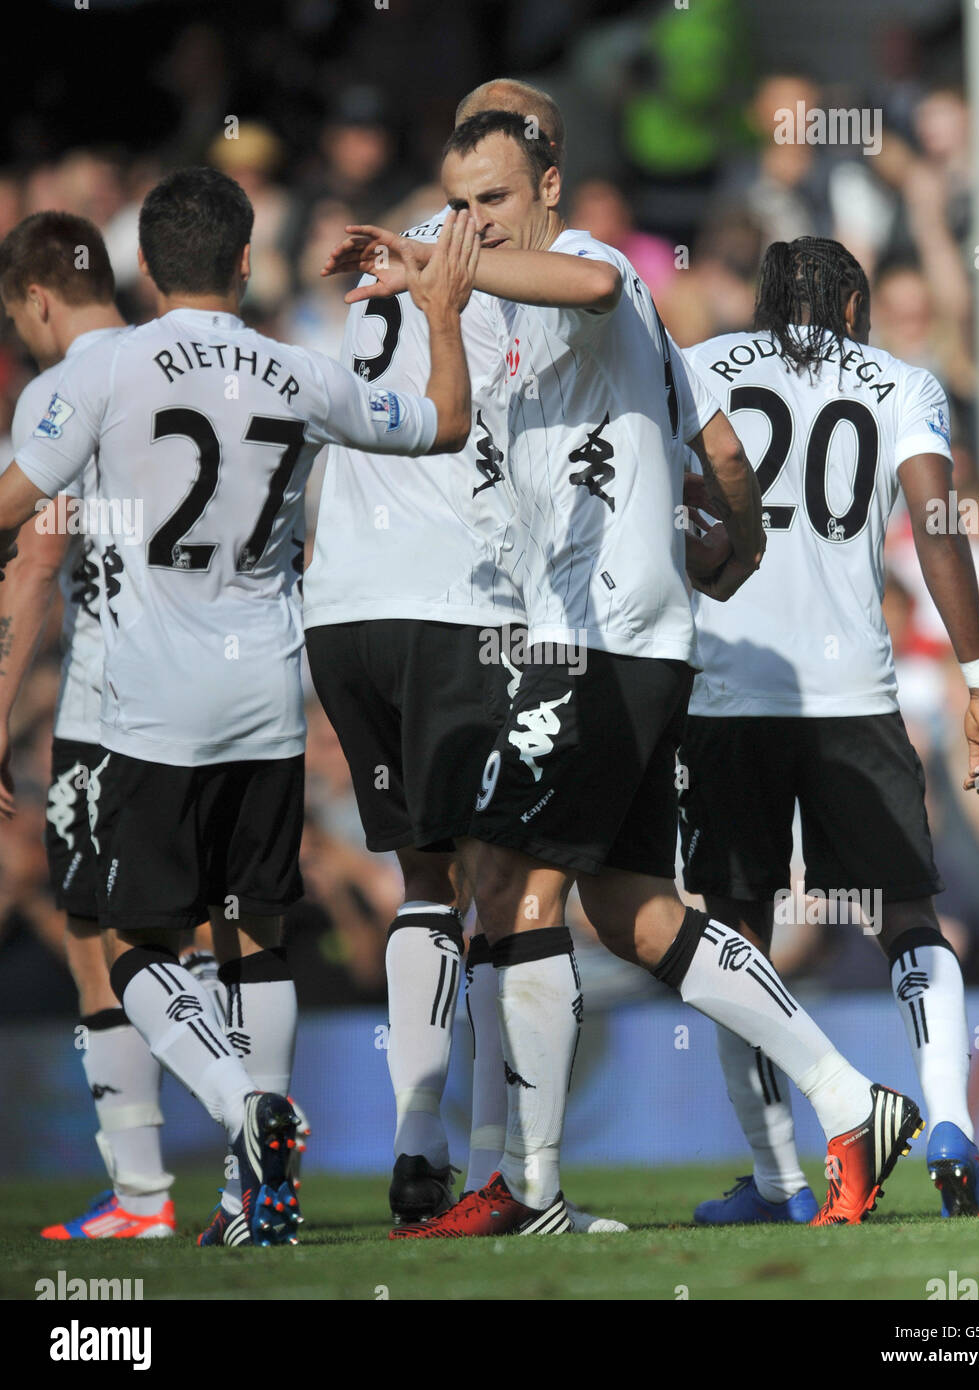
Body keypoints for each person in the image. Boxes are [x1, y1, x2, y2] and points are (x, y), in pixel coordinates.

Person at [331, 112, 922, 1236]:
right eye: (457, 208)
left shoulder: (596, 269)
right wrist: (733, 553)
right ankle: (852, 1103)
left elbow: (591, 289)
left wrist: (425, 265)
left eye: (493, 202)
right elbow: (726, 456)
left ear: (550, 189)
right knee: (634, 909)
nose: (473, 227)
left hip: (593, 637)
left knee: (509, 887)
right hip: (634, 636)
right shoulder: (549, 322)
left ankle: (527, 1192)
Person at [0, 167, 478, 1247]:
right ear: (249, 262)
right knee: (255, 932)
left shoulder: (106, 367)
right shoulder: (298, 370)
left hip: (140, 706)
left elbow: (18, 510)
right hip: (264, 695)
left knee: (127, 941)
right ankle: (260, 1198)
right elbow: (445, 422)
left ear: (143, 267)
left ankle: (248, 1112)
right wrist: (439, 313)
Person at [311, 78, 629, 1231]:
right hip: (452, 603)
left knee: (424, 881)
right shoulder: (506, 255)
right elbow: (594, 287)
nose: (484, 213)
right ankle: (503, 1170)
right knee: (505, 885)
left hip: (337, 602)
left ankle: (418, 1141)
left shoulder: (393, 258)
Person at [678, 236, 979, 1224]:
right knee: (906, 909)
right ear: (854, 311)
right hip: (853, 692)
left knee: (736, 927)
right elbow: (935, 523)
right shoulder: (901, 380)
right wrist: (978, 678)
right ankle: (949, 1119)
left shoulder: (700, 366)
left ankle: (781, 1175)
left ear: (767, 306)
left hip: (727, 691)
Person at [0, 210, 187, 1238]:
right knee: (219, 929)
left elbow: (34, 558)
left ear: (35, 297)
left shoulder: (66, 387)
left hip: (120, 698)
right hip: (244, 690)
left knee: (94, 934)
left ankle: (148, 1193)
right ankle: (255, 1193)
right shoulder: (202, 360)